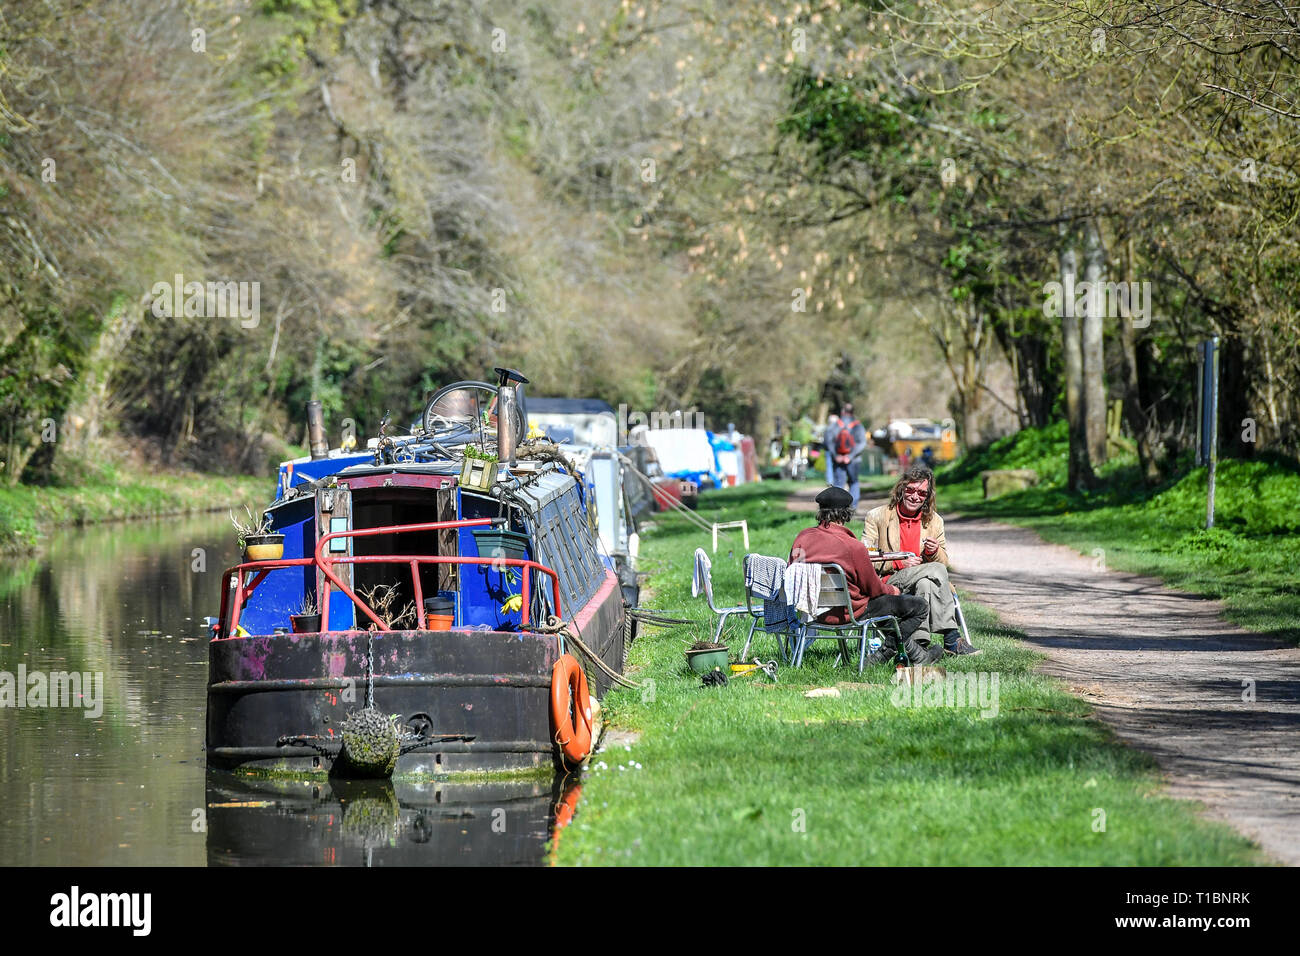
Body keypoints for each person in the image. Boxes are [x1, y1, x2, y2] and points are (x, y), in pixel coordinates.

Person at [788, 486, 941, 664]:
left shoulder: (802, 537)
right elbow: (874, 589)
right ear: (846, 514)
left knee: (885, 607)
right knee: (918, 606)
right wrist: (893, 590)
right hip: (848, 612)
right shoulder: (852, 546)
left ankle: (919, 656)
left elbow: (793, 571)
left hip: (811, 611)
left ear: (821, 512)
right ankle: (882, 655)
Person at [861, 464, 980, 656]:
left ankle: (919, 644)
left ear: (928, 496)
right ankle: (951, 638)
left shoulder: (934, 521)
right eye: (910, 490)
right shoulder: (877, 516)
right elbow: (865, 557)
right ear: (901, 489)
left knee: (927, 582)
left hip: (923, 580)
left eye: (922, 493)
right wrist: (899, 563)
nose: (915, 497)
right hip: (889, 580)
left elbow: (943, 562)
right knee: (936, 571)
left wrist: (934, 552)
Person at [827, 403, 867, 509]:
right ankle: (852, 508)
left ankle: (837, 508)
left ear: (842, 412)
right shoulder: (858, 426)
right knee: (853, 482)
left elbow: (828, 441)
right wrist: (850, 456)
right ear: (853, 412)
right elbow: (862, 443)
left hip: (838, 460)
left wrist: (836, 455)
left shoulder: (836, 425)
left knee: (839, 484)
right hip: (854, 460)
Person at [822, 414, 840, 485]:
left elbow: (825, 441)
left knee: (829, 465)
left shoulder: (827, 429)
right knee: (836, 466)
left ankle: (830, 481)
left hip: (829, 450)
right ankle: (835, 480)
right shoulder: (839, 429)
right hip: (836, 450)